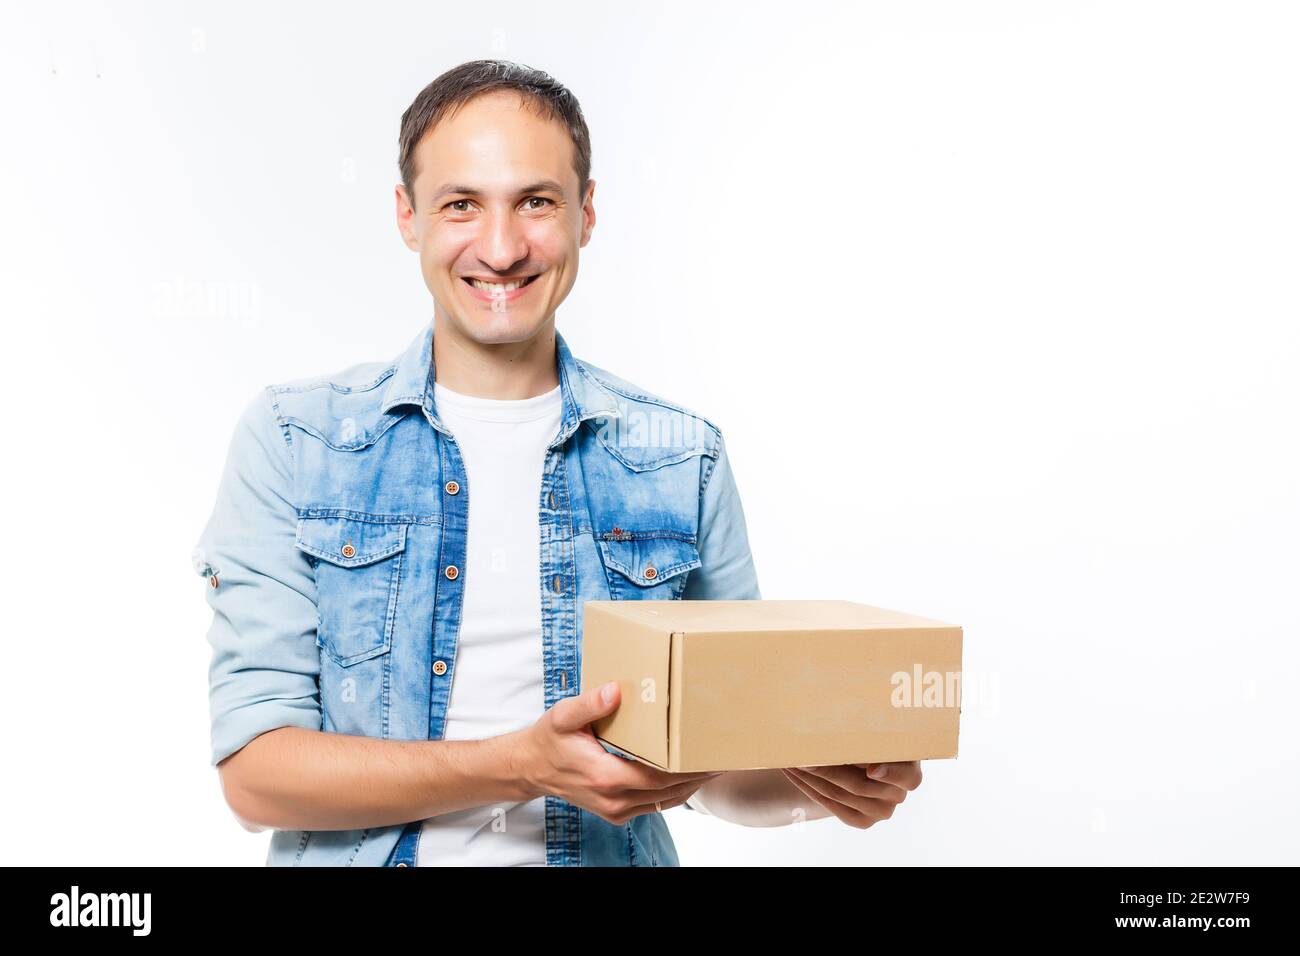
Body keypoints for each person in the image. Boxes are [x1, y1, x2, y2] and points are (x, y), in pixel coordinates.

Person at [192, 59, 922, 867]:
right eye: (461, 204)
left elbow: (721, 765)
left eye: (535, 201)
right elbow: (257, 776)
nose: (501, 249)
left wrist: (823, 783)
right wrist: (517, 763)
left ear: (586, 213)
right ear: (408, 216)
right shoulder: (297, 442)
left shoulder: (682, 458)